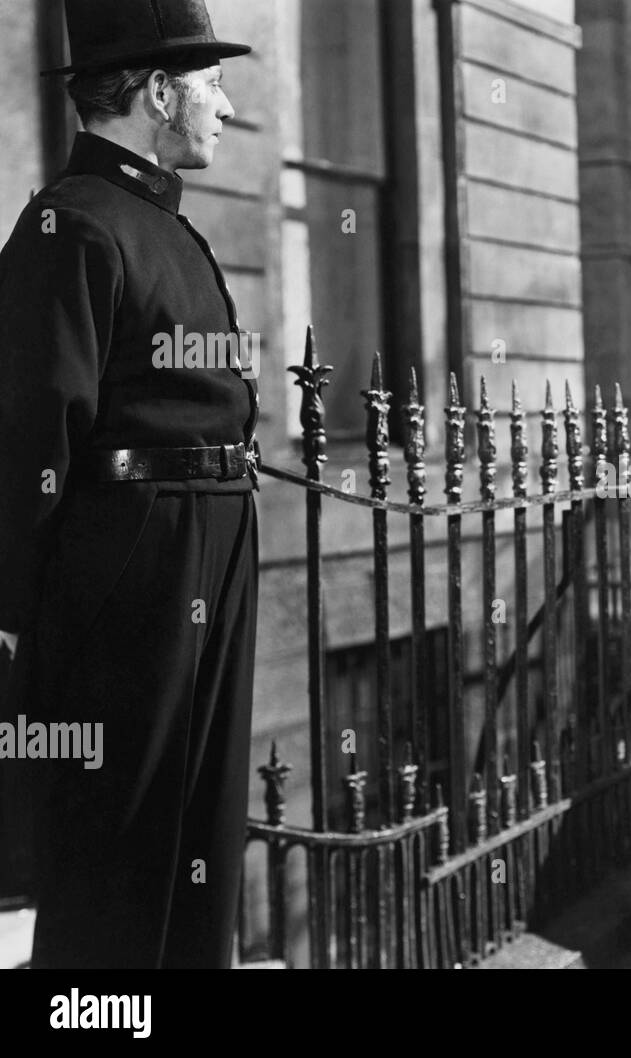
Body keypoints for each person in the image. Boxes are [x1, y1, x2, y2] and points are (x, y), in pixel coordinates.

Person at [0, 0, 258, 968]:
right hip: (130, 582)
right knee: (118, 876)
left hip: (209, 561)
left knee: (201, 859)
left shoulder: (165, 228)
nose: (226, 106)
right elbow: (27, 441)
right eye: (209, 84)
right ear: (156, 93)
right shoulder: (71, 229)